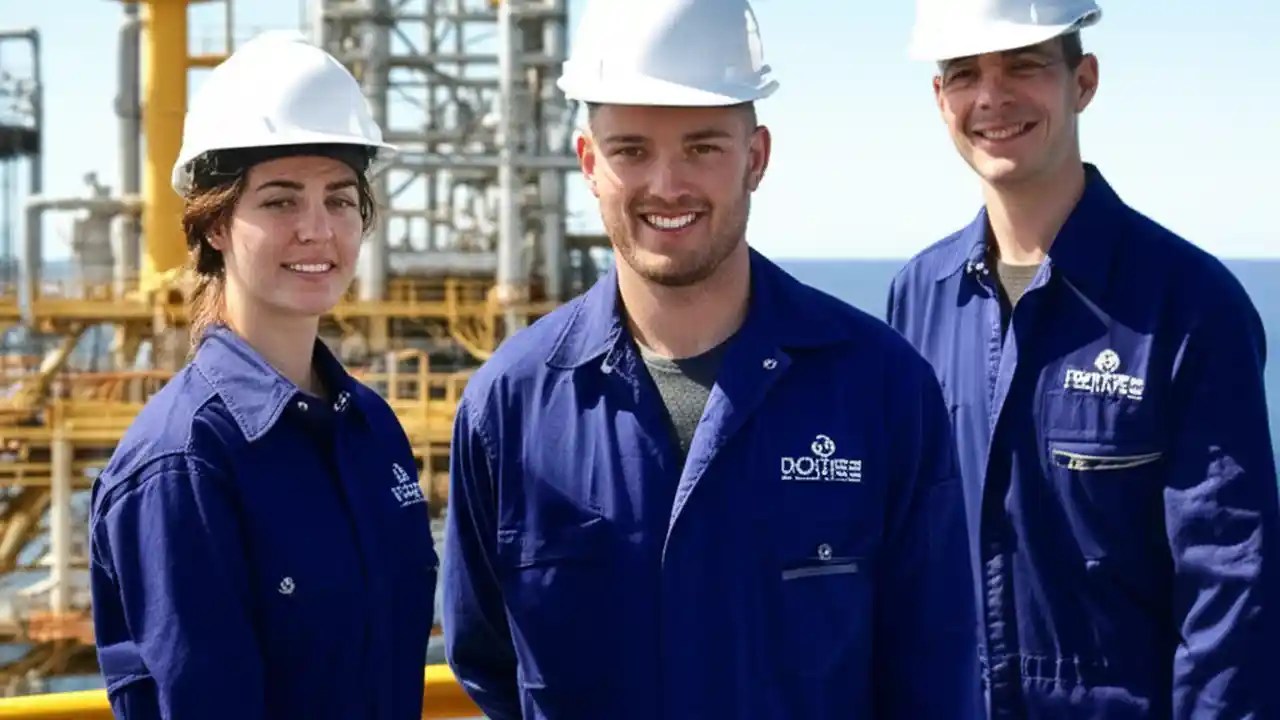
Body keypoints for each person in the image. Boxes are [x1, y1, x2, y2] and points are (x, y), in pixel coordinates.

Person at [441, 0, 980, 718]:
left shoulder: (881, 387)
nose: (668, 185)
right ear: (589, 163)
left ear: (756, 159)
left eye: (702, 148)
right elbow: (486, 660)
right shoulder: (510, 406)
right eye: (632, 150)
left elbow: (934, 667)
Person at [887, 1, 1280, 717]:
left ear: (1084, 81)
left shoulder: (1189, 306)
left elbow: (1230, 583)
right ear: (940, 99)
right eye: (965, 73)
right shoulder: (919, 295)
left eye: (1024, 66)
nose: (992, 97)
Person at [86, 32, 438, 719]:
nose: (318, 229)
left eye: (340, 199)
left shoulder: (370, 428)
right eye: (280, 201)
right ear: (215, 225)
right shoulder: (184, 464)